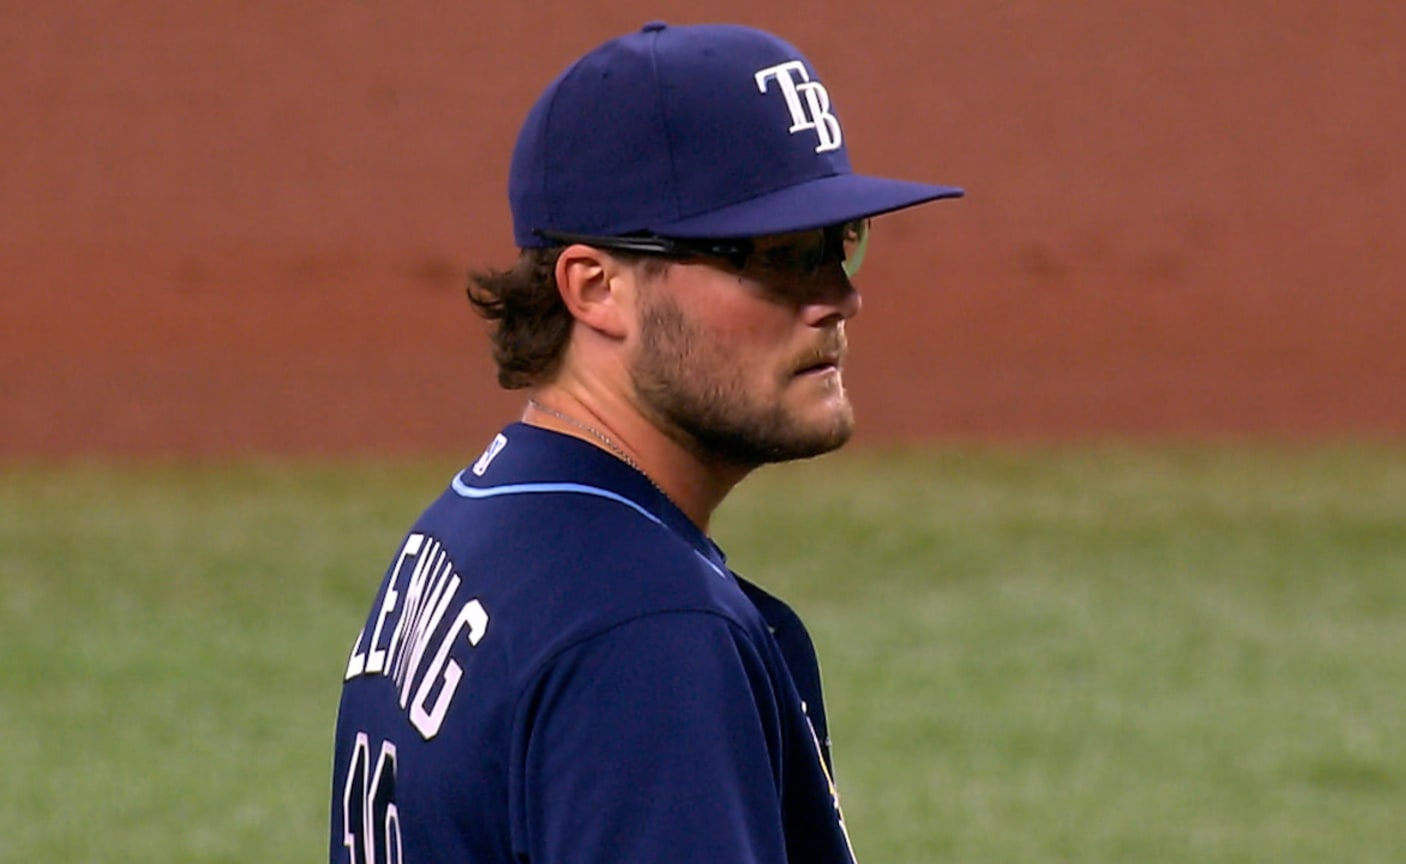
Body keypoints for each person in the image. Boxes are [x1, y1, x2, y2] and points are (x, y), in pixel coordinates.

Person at [329, 21, 961, 864]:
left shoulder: (476, 530)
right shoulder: (644, 631)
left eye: (839, 245)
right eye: (780, 255)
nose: (838, 298)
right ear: (597, 288)